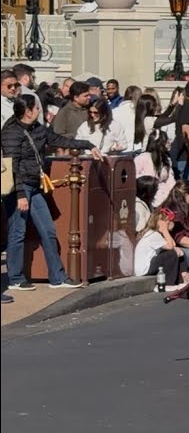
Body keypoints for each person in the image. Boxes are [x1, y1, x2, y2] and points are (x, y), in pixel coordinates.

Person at [2, 94, 100, 289]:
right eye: (37, 108)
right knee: (17, 233)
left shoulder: (38, 129)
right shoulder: (11, 132)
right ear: (29, 111)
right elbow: (13, 166)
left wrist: (88, 145)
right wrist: (21, 195)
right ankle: (15, 278)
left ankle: (58, 277)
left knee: (48, 230)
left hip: (35, 185)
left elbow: (59, 140)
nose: (41, 111)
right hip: (18, 188)